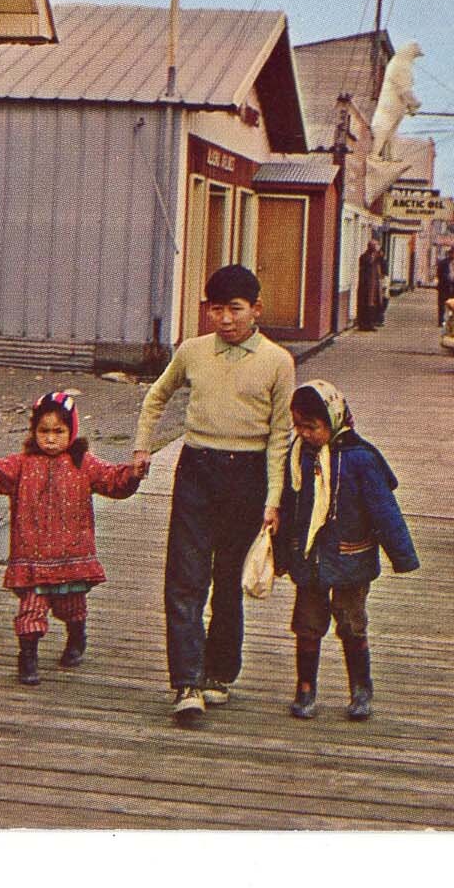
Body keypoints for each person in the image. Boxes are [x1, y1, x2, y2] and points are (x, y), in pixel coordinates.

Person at [133, 264, 295, 722]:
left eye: (235, 310)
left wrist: (273, 499)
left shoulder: (278, 362)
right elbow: (157, 396)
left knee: (228, 579)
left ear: (256, 310)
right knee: (185, 574)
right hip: (197, 468)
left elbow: (280, 435)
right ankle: (186, 680)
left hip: (247, 475)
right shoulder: (192, 351)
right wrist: (143, 446)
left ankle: (218, 672)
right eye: (216, 310)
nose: (224, 319)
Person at [0, 391, 142, 686]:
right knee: (31, 610)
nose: (50, 439)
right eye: (43, 431)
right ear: (34, 432)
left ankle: (76, 636)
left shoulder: (83, 464)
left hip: (71, 555)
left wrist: (133, 474)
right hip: (32, 557)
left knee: (70, 606)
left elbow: (113, 480)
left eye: (58, 431)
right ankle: (28, 657)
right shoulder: (21, 464)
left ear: (71, 431)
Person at [272, 380, 418, 721]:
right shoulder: (297, 460)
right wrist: (280, 554)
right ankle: (305, 687)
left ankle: (360, 688)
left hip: (352, 558)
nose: (304, 434)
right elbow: (287, 509)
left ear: (334, 420)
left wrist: (402, 554)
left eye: (312, 427)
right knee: (307, 625)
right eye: (298, 426)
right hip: (309, 560)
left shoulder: (361, 460)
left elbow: (384, 510)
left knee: (352, 623)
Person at [356, 238, 387, 331]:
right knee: (366, 304)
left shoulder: (378, 257)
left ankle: (371, 323)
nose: (376, 248)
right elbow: (367, 264)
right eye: (374, 245)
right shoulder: (364, 257)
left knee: (374, 303)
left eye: (377, 245)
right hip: (366, 285)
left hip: (375, 285)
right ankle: (364, 324)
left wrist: (381, 257)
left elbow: (384, 267)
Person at [435, 246, 454, 323]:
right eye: (453, 253)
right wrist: (446, 279)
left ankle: (453, 320)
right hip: (444, 286)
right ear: (450, 254)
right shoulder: (443, 263)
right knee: (442, 304)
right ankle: (441, 320)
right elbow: (439, 274)